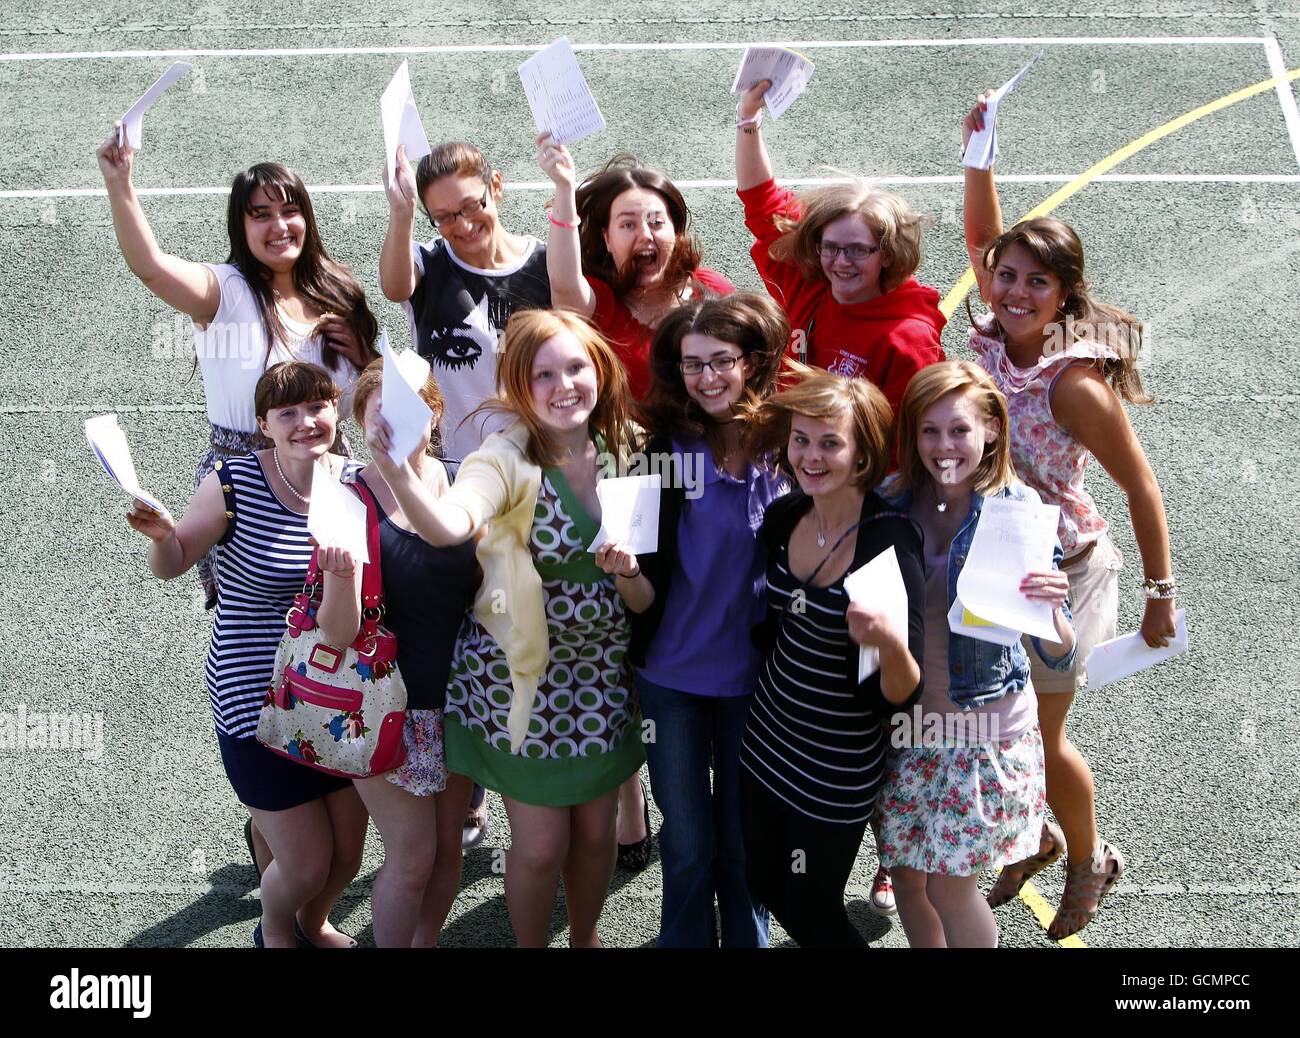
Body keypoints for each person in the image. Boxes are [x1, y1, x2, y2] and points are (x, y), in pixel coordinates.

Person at [361, 308, 647, 947]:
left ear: (598, 368)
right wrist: (402, 475)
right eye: (543, 374)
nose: (564, 384)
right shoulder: (501, 457)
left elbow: (647, 584)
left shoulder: (628, 445)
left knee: (598, 833)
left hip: (603, 674)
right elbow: (449, 525)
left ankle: (584, 936)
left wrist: (629, 576)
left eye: (576, 366)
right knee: (543, 844)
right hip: (520, 680)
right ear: (520, 385)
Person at [962, 94, 1177, 939]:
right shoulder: (995, 326)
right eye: (1005, 275)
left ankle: (1090, 859)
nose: (1012, 290)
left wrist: (1162, 594)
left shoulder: (1073, 384)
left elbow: (1141, 487)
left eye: (1034, 282)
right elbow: (983, 231)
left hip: (1064, 572)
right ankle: (1036, 834)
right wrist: (980, 147)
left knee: (1039, 735)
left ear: (1063, 296)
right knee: (984, 720)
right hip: (993, 553)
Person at [125, 362, 368, 949]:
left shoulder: (359, 481)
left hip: (336, 693)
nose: (306, 422)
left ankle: (315, 922)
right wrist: (163, 537)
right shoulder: (232, 479)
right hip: (253, 693)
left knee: (347, 856)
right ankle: (277, 926)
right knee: (307, 863)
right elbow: (176, 561)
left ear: (335, 411)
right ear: (263, 423)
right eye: (287, 413)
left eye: (317, 407)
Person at [97, 132, 378, 609]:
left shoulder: (338, 290)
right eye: (261, 214)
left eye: (290, 211)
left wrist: (365, 358)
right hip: (248, 485)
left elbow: (364, 401)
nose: (279, 225)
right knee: (262, 612)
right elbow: (150, 267)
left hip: (328, 478)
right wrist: (120, 182)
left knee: (337, 611)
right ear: (241, 225)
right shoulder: (224, 292)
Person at [876, 361, 1076, 947]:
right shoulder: (889, 502)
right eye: (929, 430)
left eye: (959, 430)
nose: (944, 447)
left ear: (991, 428)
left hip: (982, 735)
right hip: (904, 726)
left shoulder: (1018, 513)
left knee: (949, 889)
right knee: (909, 883)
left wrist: (1055, 608)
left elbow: (1058, 653)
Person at [737, 368, 925, 947]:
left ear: (863, 454)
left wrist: (890, 643)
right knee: (763, 882)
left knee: (813, 909)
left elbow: (902, 692)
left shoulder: (887, 542)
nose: (809, 456)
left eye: (829, 443)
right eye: (800, 439)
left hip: (834, 770)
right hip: (764, 746)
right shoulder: (785, 516)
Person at [626, 292, 790, 946]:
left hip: (759, 683)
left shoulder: (790, 445)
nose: (707, 378)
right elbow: (638, 588)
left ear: (753, 362)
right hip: (671, 682)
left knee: (744, 842)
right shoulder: (659, 455)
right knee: (689, 842)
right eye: (692, 365)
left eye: (721, 361)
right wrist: (623, 572)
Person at [312, 360, 479, 947]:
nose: (390, 423)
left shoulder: (466, 483)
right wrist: (337, 578)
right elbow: (335, 633)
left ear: (434, 412)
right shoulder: (345, 499)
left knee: (448, 857)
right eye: (375, 411)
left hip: (460, 701)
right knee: (412, 858)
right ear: (358, 422)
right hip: (381, 707)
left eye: (407, 407)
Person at [732, 80, 946, 420]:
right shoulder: (812, 284)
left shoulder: (907, 339)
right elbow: (762, 203)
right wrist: (748, 118)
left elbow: (909, 437)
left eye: (858, 250)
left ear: (887, 254)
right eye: (831, 247)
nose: (841, 262)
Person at [380, 140, 551, 463]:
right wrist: (402, 212)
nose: (464, 225)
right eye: (444, 217)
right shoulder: (426, 261)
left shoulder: (546, 263)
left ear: (496, 186)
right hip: (456, 469)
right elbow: (395, 288)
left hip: (539, 465)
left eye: (472, 205)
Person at [537, 136, 734, 400]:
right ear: (607, 239)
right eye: (628, 225)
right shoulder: (600, 307)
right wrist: (563, 188)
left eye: (656, 222)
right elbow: (564, 283)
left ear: (675, 232)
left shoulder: (713, 289)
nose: (645, 235)